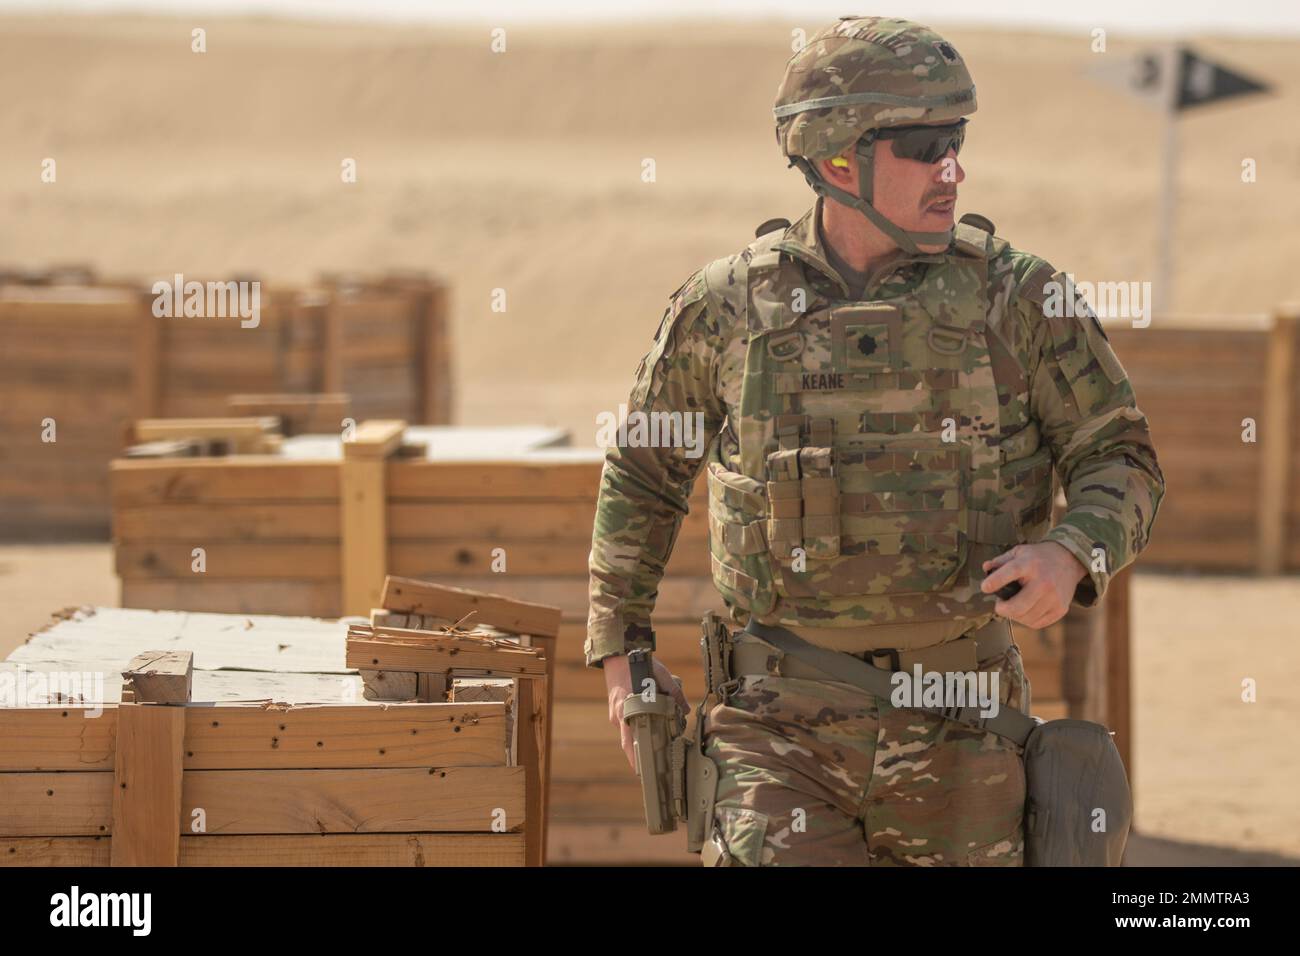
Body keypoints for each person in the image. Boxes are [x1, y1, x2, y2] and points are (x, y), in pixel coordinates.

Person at [585, 15, 1165, 866]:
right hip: (774, 729)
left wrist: (1074, 551)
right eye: (925, 144)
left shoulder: (1017, 299)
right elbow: (643, 474)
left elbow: (1122, 455)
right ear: (836, 159)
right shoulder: (724, 310)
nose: (952, 169)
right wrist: (621, 651)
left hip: (965, 735)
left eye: (958, 139)